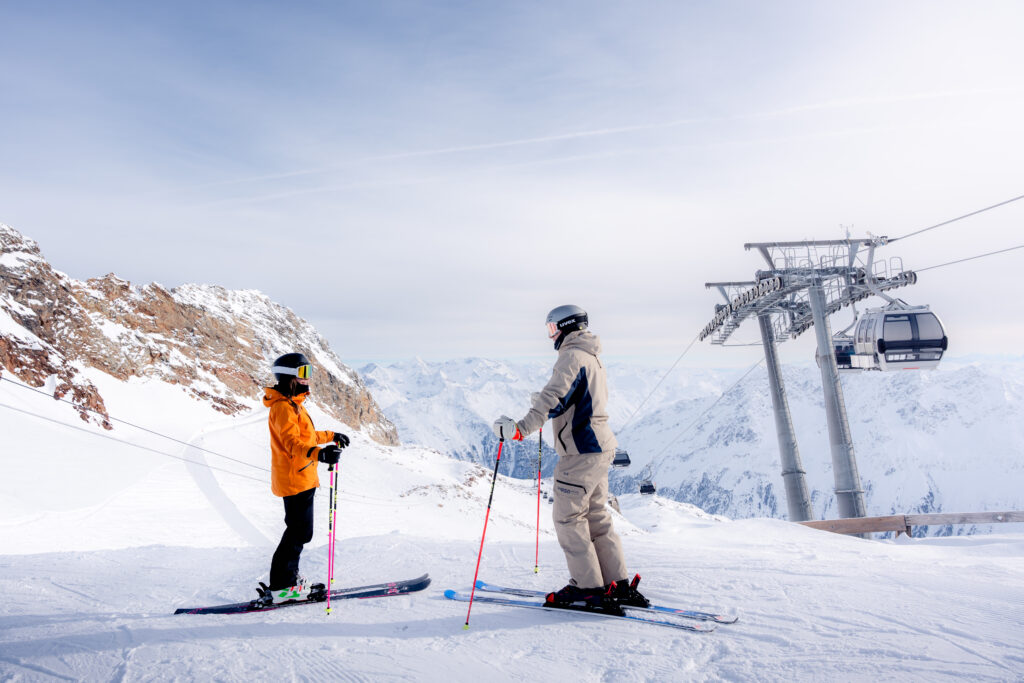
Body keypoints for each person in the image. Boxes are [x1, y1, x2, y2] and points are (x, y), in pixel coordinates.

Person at [492, 305, 648, 613]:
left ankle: (588, 589)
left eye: (552, 328)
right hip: (601, 448)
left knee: (568, 518)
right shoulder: (591, 356)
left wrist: (520, 429)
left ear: (564, 326)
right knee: (596, 517)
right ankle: (616, 585)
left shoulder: (571, 356)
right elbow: (574, 397)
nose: (551, 335)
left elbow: (555, 398)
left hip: (580, 453)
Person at [263, 352, 350, 603]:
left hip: (302, 477)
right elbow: (292, 443)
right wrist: (319, 454)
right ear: (289, 377)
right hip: (295, 479)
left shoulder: (293, 405)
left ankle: (286, 582)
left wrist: (331, 435)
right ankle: (283, 585)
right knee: (298, 532)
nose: (307, 379)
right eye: (303, 373)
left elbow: (306, 436)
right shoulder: (282, 408)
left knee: (300, 531)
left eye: (309, 373)